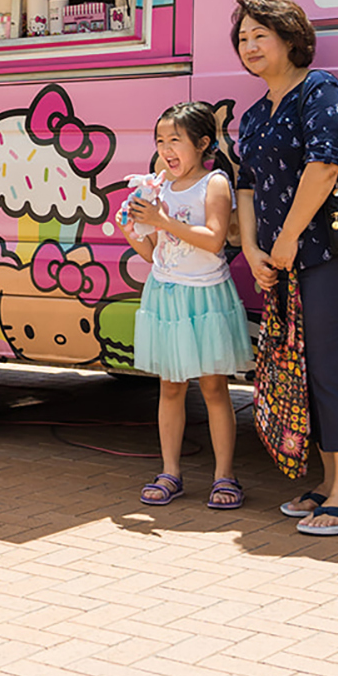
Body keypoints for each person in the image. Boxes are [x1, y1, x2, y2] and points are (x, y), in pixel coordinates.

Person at [228, 0, 338, 536]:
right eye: (243, 38)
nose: (249, 46)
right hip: (282, 258)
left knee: (329, 366)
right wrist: (252, 248)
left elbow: (324, 167)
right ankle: (331, 481)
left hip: (328, 252)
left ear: (291, 38)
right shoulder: (256, 112)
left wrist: (285, 240)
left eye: (260, 35)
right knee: (303, 369)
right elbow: (246, 184)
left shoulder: (320, 89)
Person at [121, 101, 255, 511]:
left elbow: (215, 239)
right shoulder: (160, 187)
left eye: (175, 140)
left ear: (202, 144)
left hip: (205, 295)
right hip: (165, 293)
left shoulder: (213, 183)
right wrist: (131, 227)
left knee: (214, 387)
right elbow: (151, 253)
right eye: (160, 141)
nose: (166, 150)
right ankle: (170, 471)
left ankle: (224, 475)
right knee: (170, 386)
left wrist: (163, 221)